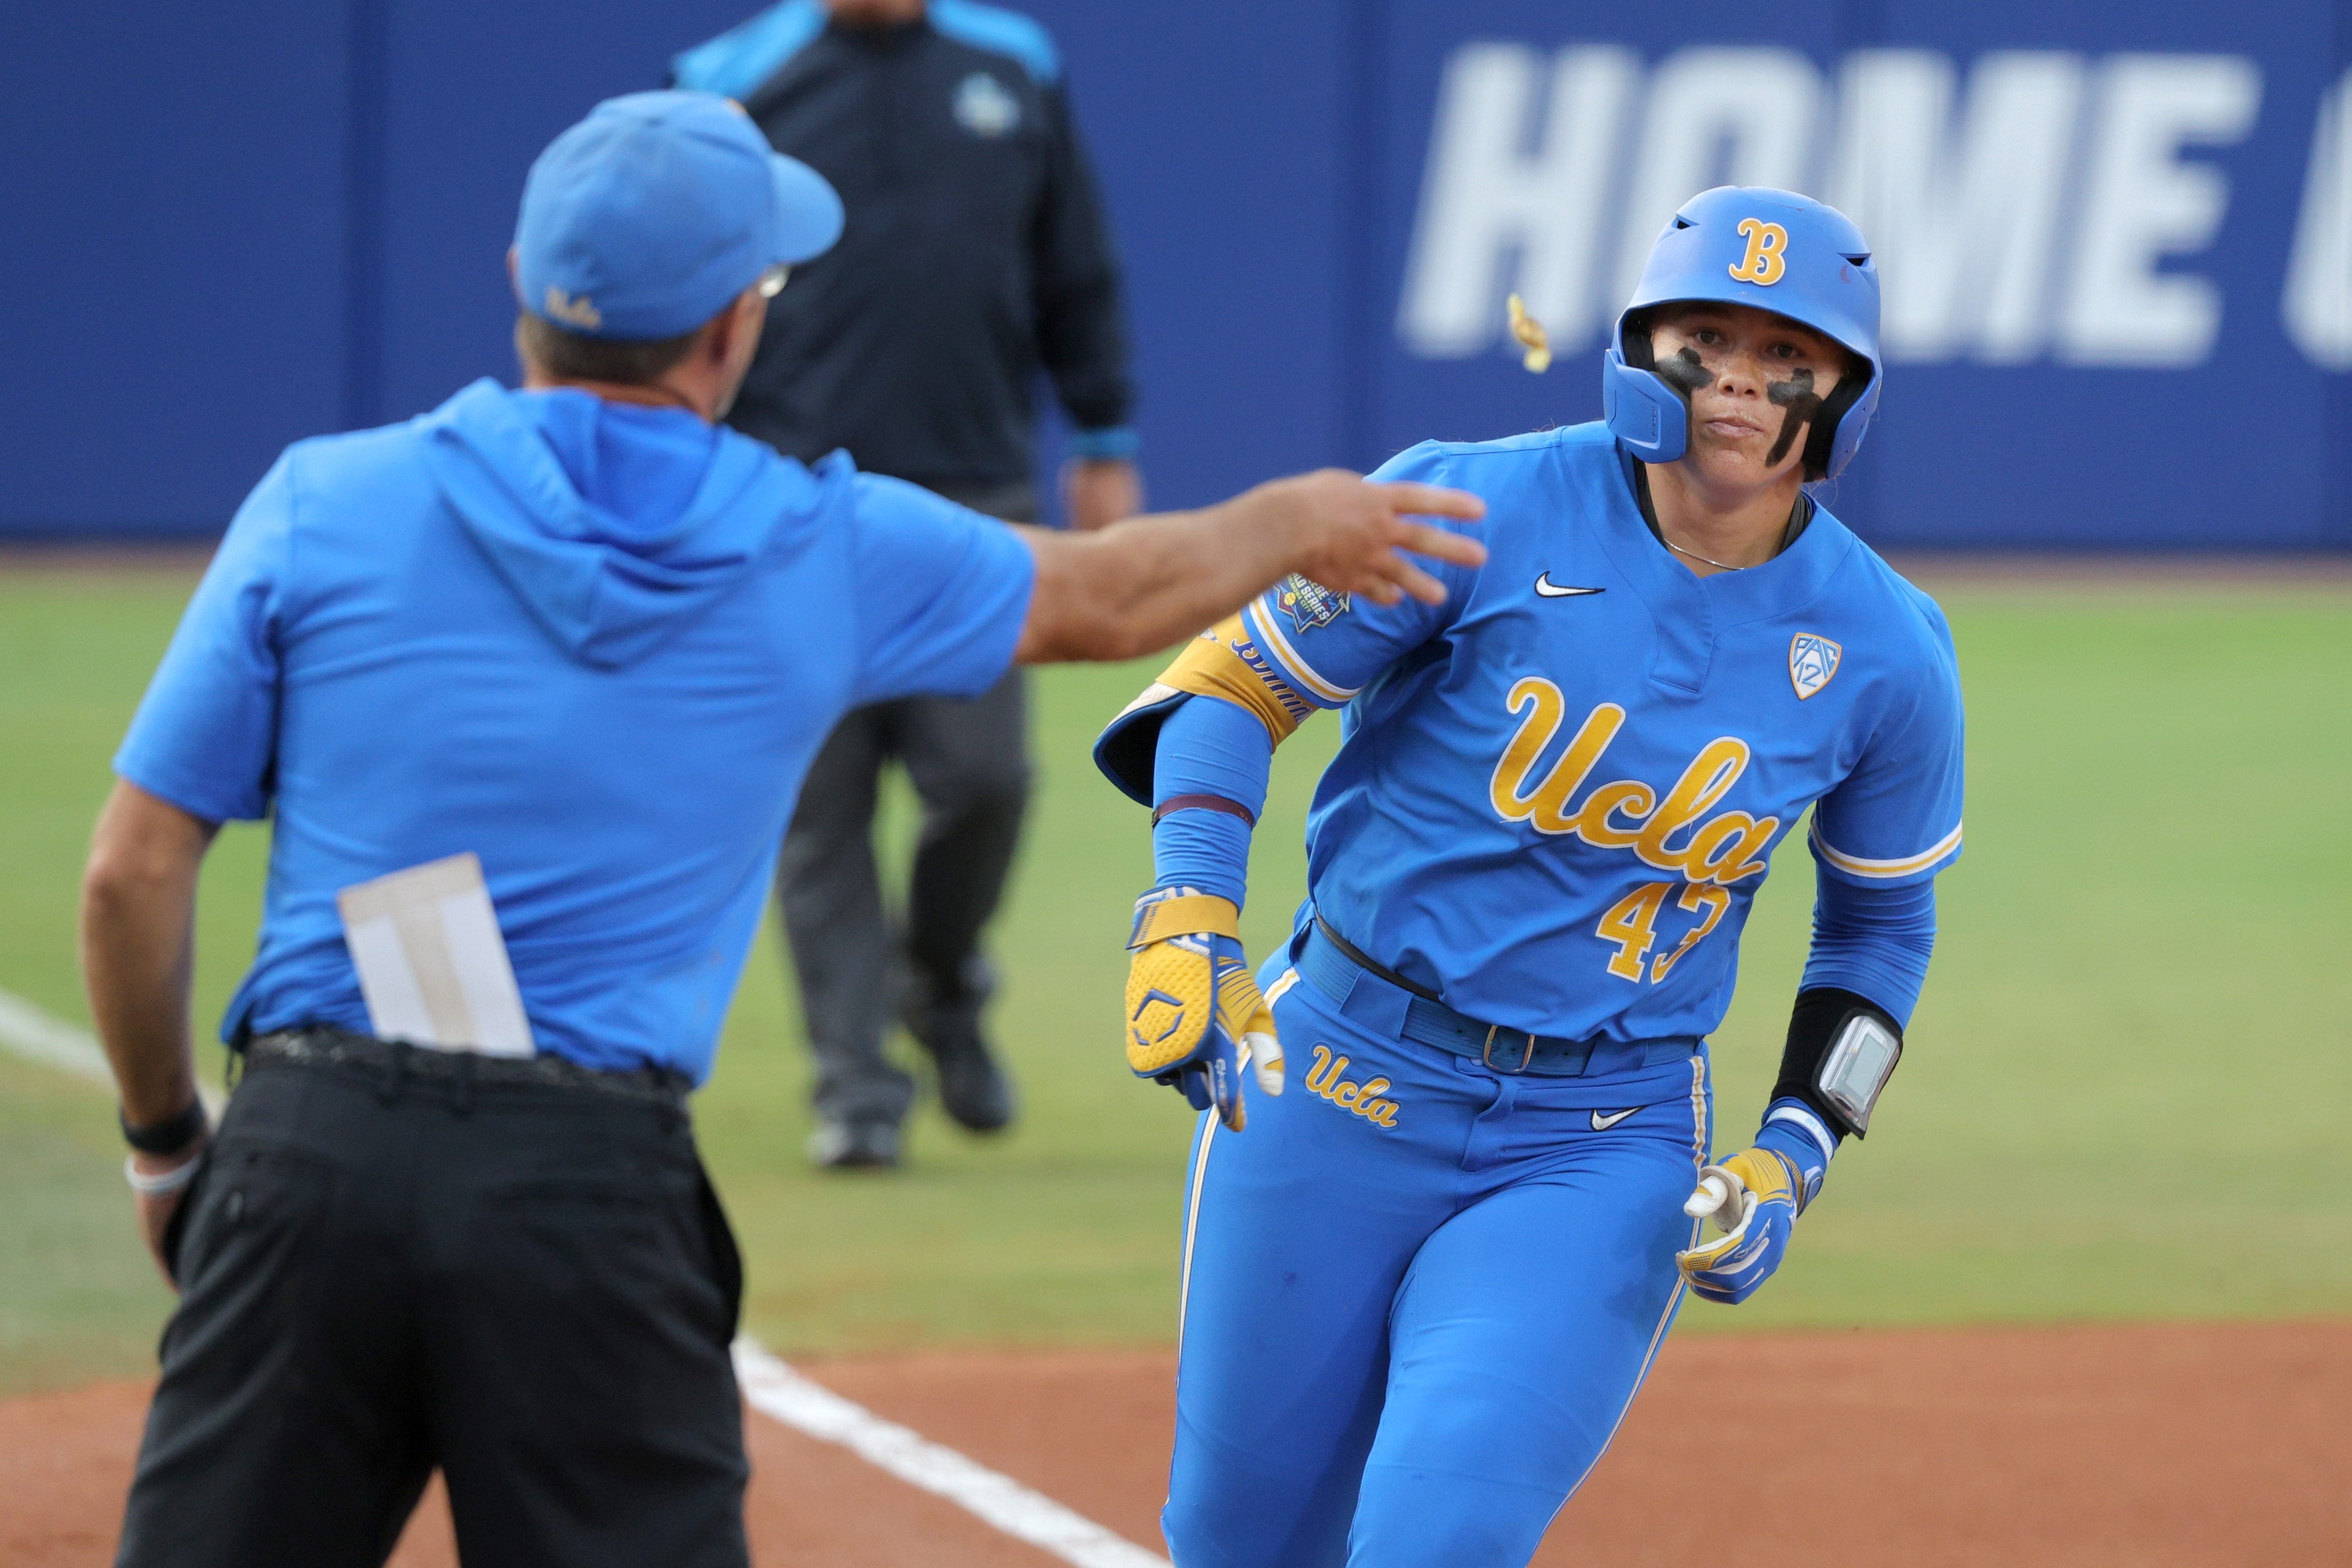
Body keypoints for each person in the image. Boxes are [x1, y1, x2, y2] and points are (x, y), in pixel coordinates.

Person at [83, 90, 1482, 1568]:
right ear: (731, 330)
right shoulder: (816, 543)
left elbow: (130, 870)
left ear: (518, 280)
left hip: (309, 1155)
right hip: (582, 1197)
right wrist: (1307, 517)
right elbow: (1113, 593)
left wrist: (173, 1147)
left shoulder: (322, 502)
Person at [1093, 187, 1964, 1567]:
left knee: (1439, 1536)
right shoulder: (1473, 499)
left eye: (1786, 357)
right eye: (1704, 335)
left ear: (1844, 397)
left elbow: (1878, 925)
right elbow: (1231, 682)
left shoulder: (1884, 651)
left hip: (1599, 1143)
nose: (1739, 378)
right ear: (1636, 349)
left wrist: (1796, 1147)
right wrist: (1191, 903)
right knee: (1237, 1541)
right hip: (1329, 1076)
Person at [672, 0, 1139, 1166]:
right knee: (817, 809)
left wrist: (1103, 435)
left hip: (971, 497)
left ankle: (938, 983)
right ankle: (855, 1093)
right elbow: (682, 287)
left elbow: (1070, 261)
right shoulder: (729, 76)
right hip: (783, 501)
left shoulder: (1014, 64)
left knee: (984, 781)